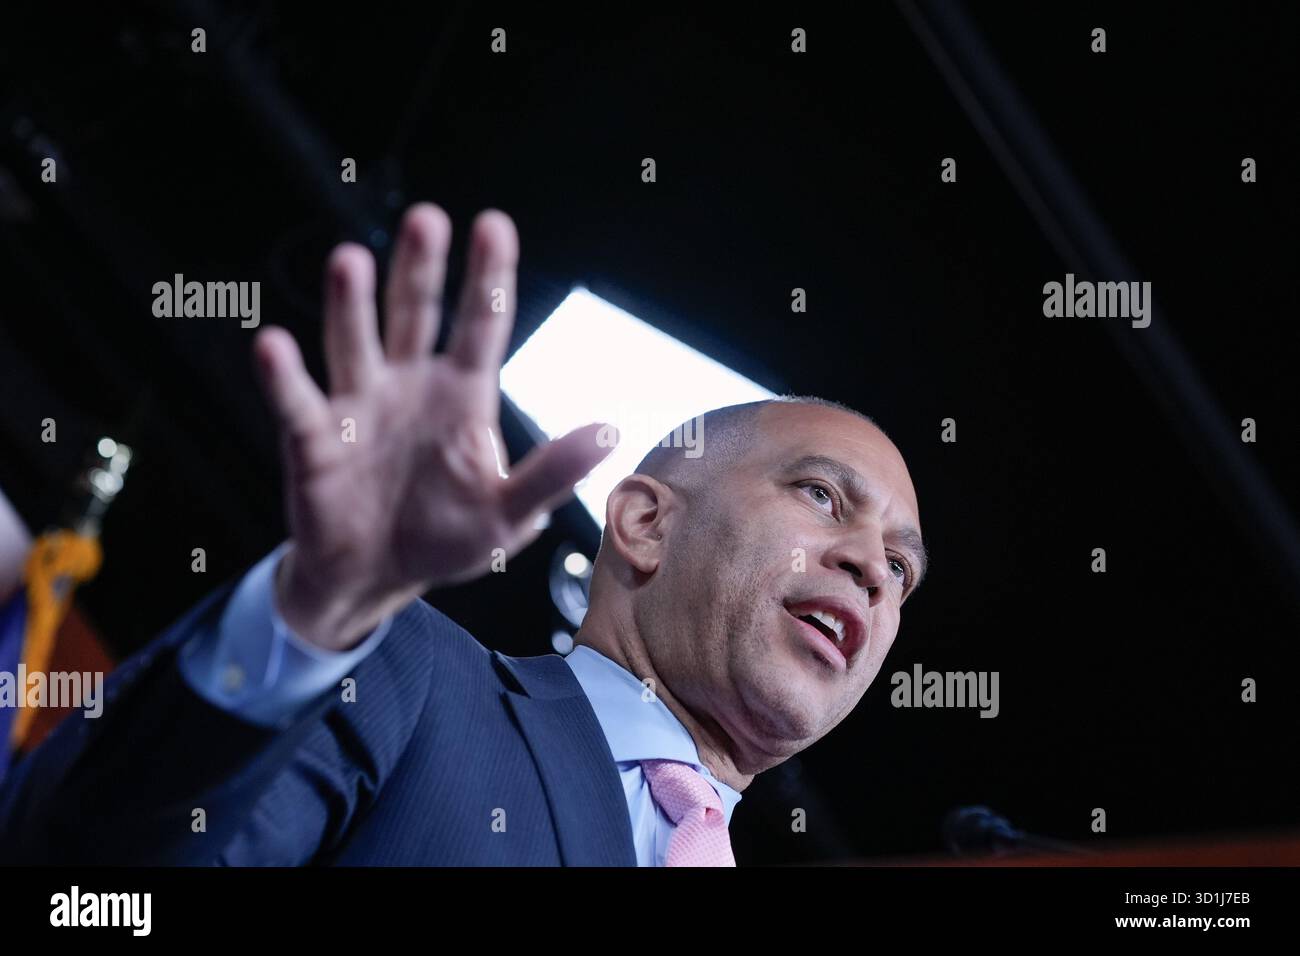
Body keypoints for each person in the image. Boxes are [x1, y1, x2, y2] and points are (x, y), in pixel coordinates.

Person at [0, 204, 926, 866]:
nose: (871, 571)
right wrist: (320, 610)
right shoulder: (409, 680)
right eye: (820, 495)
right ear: (645, 524)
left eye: (899, 565)